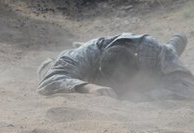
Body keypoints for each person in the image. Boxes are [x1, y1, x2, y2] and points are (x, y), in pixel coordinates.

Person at [37, 33, 194, 101]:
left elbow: (188, 87)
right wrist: (88, 87)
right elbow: (48, 81)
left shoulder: (155, 53)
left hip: (159, 52)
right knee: (48, 67)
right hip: (88, 54)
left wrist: (148, 96)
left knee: (170, 49)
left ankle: (176, 40)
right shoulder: (90, 52)